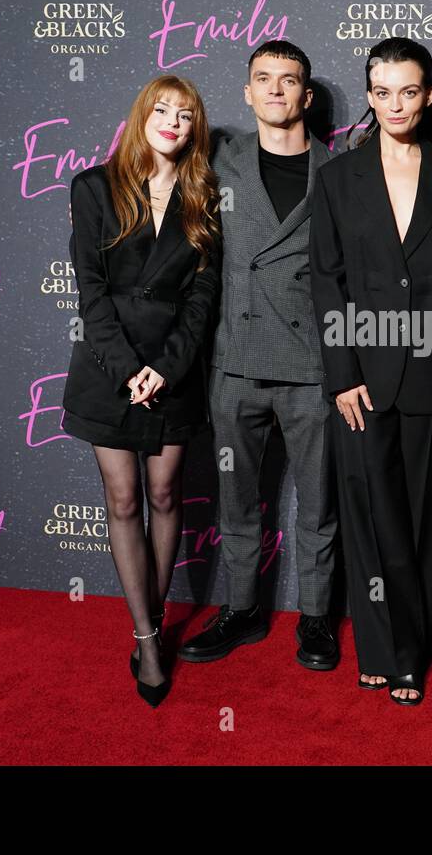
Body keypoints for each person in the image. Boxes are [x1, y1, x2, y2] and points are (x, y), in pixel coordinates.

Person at [309, 37, 432, 705]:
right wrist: (342, 373)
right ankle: (380, 649)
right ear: (369, 96)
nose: (397, 103)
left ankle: (413, 650)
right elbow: (326, 277)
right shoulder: (338, 177)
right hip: (363, 377)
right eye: (383, 92)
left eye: (410, 91)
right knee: (371, 518)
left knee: (431, 522)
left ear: (429, 94)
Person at [177, 41, 342, 671]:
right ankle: (243, 609)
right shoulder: (218, 163)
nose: (276, 90)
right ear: (247, 92)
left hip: (310, 370)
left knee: (319, 506)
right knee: (237, 502)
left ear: (306, 95)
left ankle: (318, 617)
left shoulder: (338, 170)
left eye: (289, 80)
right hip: (234, 363)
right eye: (263, 79)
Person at [61, 74, 222, 708]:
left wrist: (171, 366)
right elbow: (91, 293)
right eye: (162, 110)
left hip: (173, 370)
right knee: (124, 498)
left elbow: (203, 296)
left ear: (195, 128)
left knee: (163, 491)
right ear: (141, 116)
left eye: (185, 115)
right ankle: (148, 637)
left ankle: (149, 620)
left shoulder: (205, 196)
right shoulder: (94, 187)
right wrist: (129, 368)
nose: (173, 122)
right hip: (108, 368)